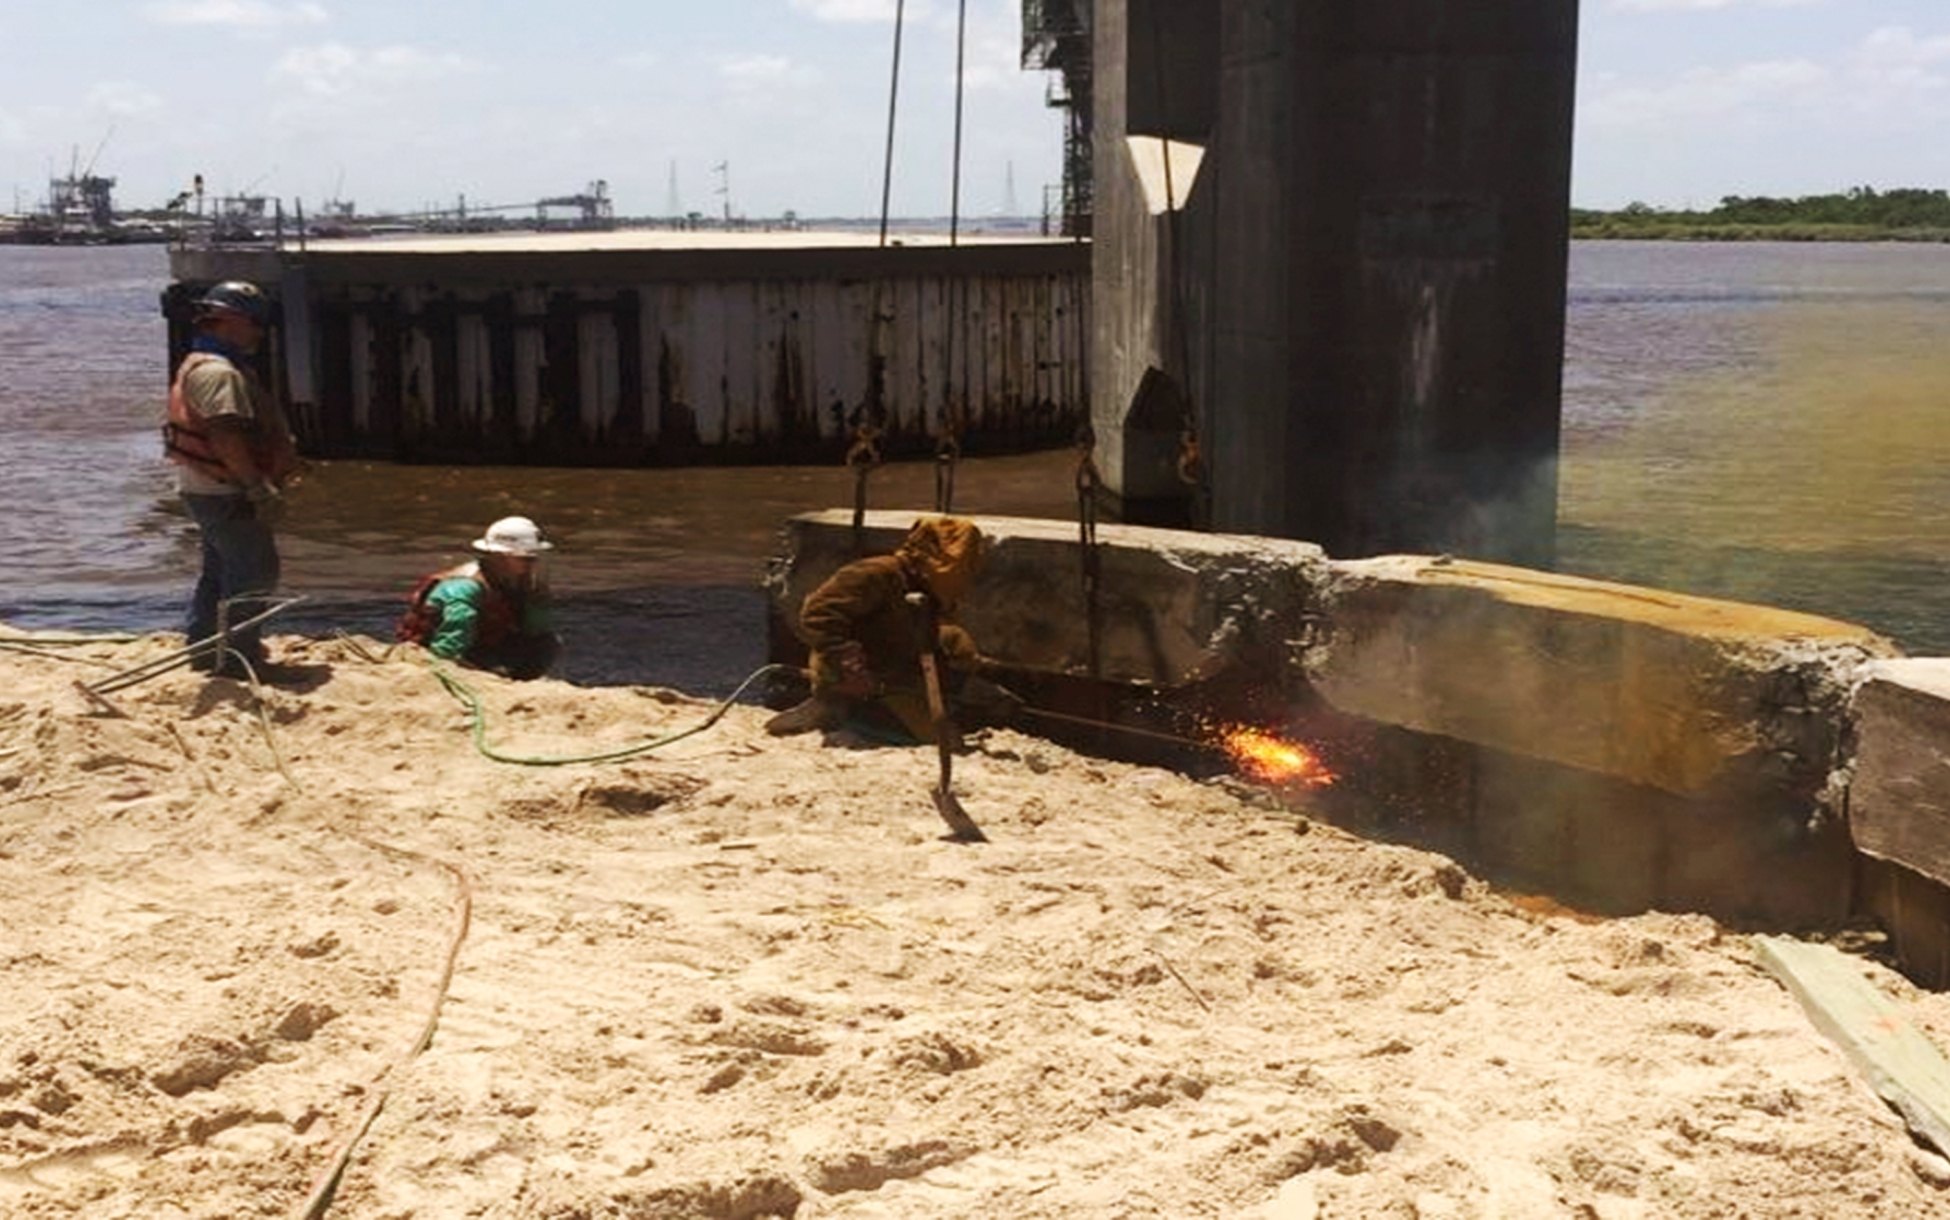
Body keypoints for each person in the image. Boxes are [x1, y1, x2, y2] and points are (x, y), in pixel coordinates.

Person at [164, 280, 301, 677]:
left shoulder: (204, 362)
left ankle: (207, 648)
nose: (260, 331)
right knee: (255, 570)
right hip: (225, 488)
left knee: (221, 568)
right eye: (255, 322)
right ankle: (238, 656)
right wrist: (256, 487)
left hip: (209, 486)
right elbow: (225, 434)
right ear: (230, 321)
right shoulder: (218, 373)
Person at [766, 515, 1002, 742]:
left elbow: (928, 646)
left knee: (954, 640)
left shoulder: (925, 587)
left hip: (895, 671)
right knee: (945, 742)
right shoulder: (875, 573)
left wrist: (967, 682)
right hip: (853, 672)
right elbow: (819, 614)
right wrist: (850, 667)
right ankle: (833, 705)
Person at [396, 516, 561, 679]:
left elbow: (536, 630)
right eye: (525, 560)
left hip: (485, 643)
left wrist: (537, 603)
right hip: (444, 647)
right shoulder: (464, 587)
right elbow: (452, 639)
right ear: (500, 557)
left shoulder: (515, 582)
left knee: (546, 643)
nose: (531, 565)